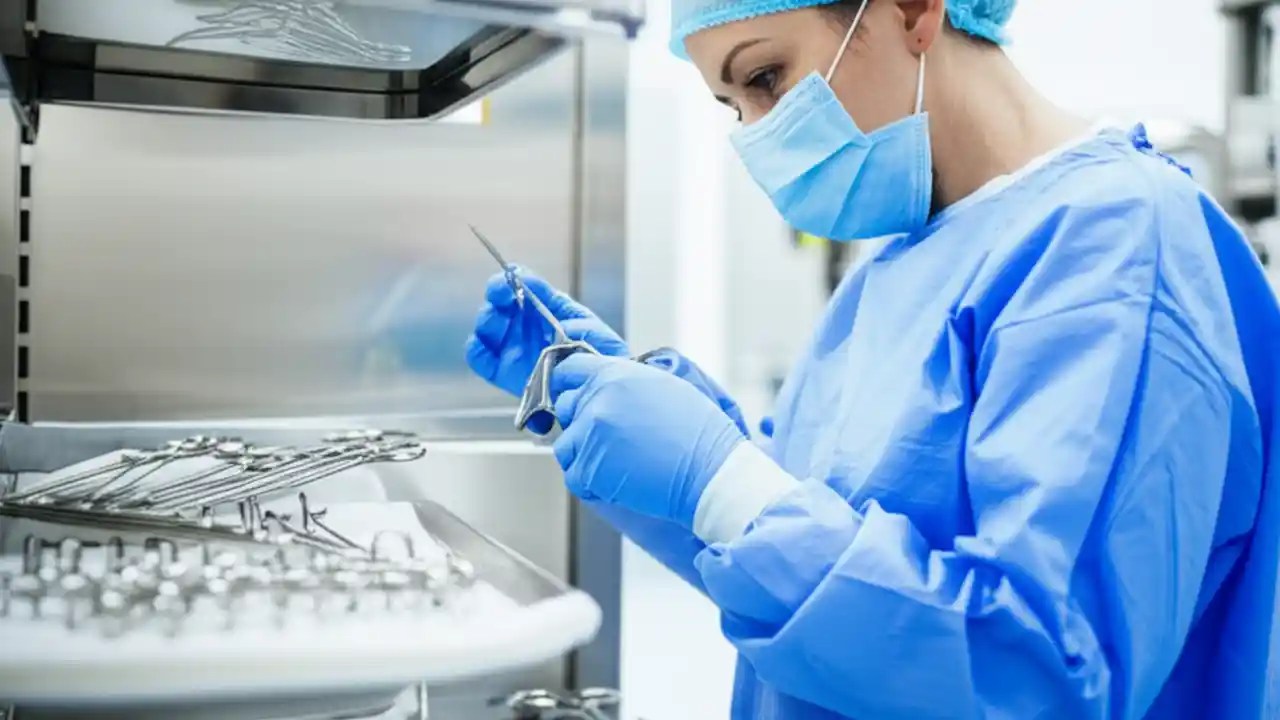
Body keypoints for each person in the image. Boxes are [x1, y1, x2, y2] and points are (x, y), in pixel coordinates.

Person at [466, 0, 1280, 717]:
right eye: (729, 104)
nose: (753, 133)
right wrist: (622, 415)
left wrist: (716, 480)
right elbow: (799, 562)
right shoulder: (898, 264)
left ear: (915, 10)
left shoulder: (1118, 244)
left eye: (766, 80)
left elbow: (1041, 678)